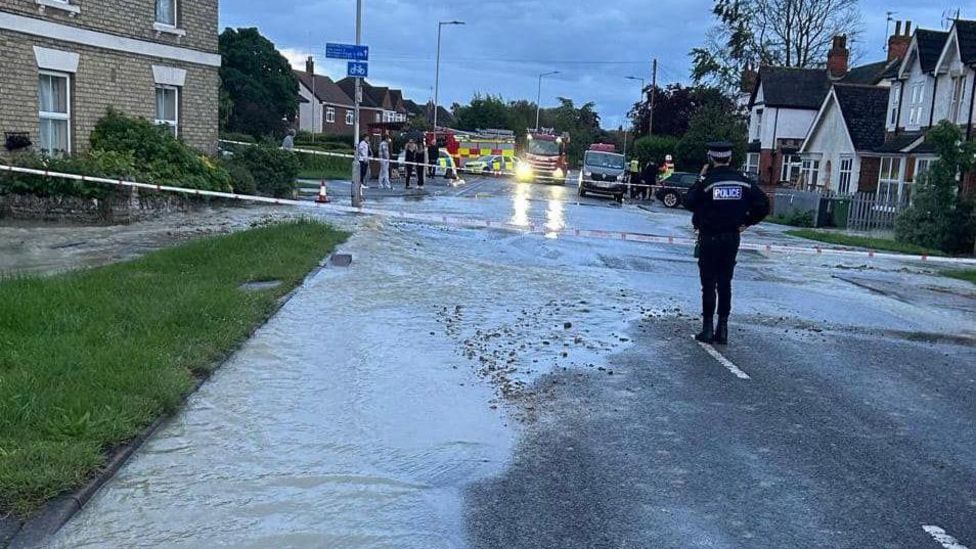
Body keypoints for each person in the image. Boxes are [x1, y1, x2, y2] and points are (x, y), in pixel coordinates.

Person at [683, 141, 770, 345]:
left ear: (711, 159)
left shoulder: (708, 181)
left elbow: (689, 202)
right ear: (730, 158)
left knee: (708, 284)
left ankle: (707, 329)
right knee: (725, 283)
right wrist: (746, 222)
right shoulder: (743, 181)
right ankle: (722, 330)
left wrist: (701, 177)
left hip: (709, 237)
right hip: (731, 237)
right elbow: (763, 205)